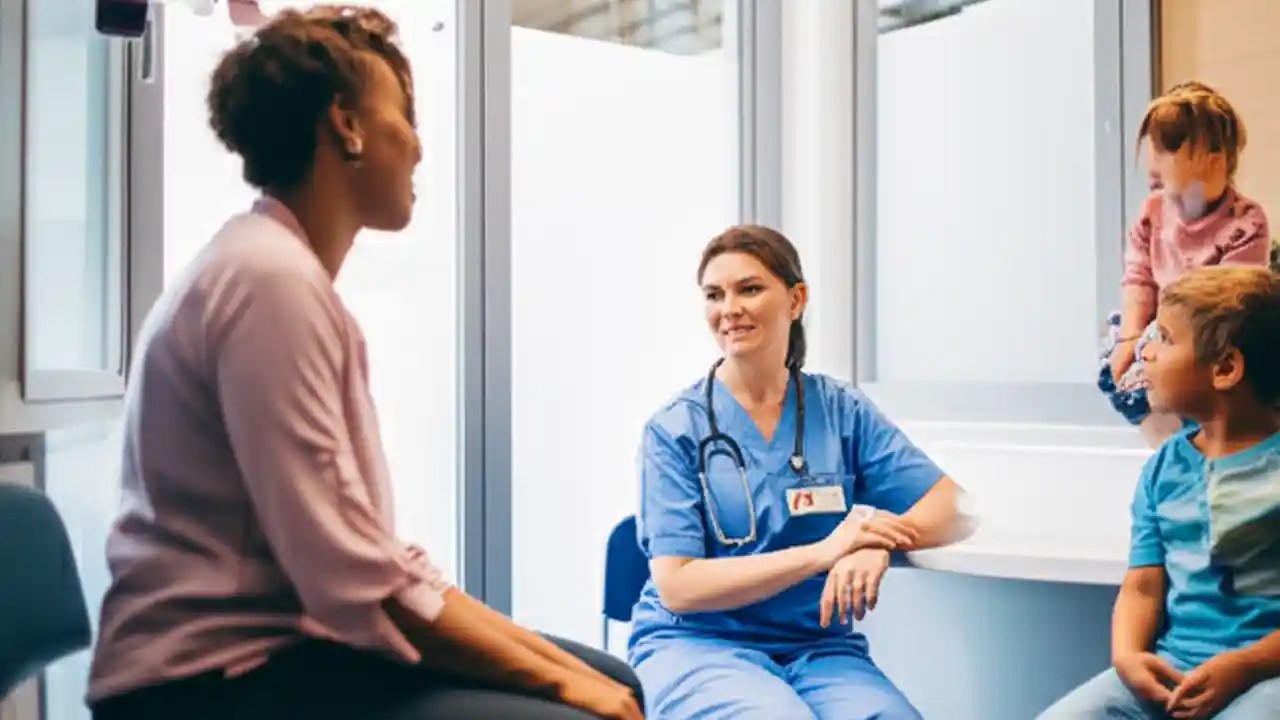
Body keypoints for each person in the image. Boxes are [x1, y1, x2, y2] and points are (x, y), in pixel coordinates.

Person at [86, 8, 642, 720]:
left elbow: (374, 560)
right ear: (346, 125)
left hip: (287, 649)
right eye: (402, 117)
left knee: (612, 676)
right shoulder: (268, 284)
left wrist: (569, 669)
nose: (416, 147)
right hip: (205, 683)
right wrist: (564, 688)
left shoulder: (275, 270)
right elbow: (355, 581)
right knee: (585, 710)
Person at [628, 225, 973, 719]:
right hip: (699, 643)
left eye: (749, 288)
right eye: (714, 294)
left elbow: (957, 509)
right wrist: (824, 553)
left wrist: (877, 540)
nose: (729, 308)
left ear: (795, 300)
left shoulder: (838, 410)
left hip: (817, 648)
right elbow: (679, 587)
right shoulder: (674, 430)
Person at [1042, 265, 1280, 719]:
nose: (1145, 352)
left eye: (1166, 339)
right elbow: (1143, 586)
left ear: (1225, 368)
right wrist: (1127, 657)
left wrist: (1244, 666)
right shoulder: (1163, 471)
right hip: (1172, 669)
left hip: (1267, 674)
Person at [1098, 82, 1270, 447]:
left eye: (1169, 146)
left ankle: (1202, 438)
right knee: (1113, 340)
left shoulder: (1245, 223)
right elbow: (1138, 278)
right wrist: (1130, 337)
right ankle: (1168, 445)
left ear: (1214, 159)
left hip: (1212, 333)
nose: (1153, 156)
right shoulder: (1153, 212)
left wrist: (1167, 341)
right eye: (1152, 146)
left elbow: (1231, 307)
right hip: (1162, 326)